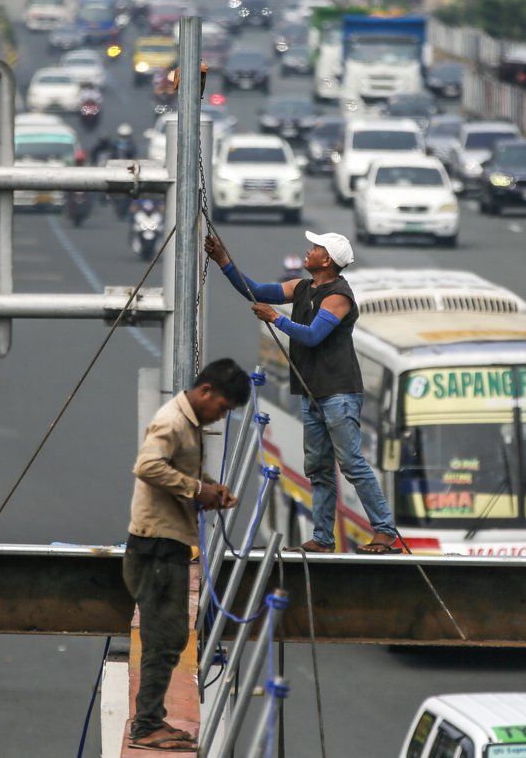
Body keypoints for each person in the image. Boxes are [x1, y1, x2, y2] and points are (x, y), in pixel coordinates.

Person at [205, 230, 401, 554]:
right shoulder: (301, 287)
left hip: (338, 393)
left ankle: (384, 531)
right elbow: (255, 290)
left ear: (327, 260)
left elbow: (312, 336)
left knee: (351, 463)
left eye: (315, 248)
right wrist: (224, 261)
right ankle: (323, 538)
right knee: (319, 468)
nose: (308, 251)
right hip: (313, 394)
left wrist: (275, 318)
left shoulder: (339, 296)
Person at [124, 358, 249, 751]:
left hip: (169, 543)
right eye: (222, 409)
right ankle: (145, 726)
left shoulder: (190, 424)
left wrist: (211, 487)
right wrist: (197, 492)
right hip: (156, 545)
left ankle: (152, 720)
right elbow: (147, 466)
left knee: (172, 635)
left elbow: (182, 470)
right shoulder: (173, 422)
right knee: (165, 638)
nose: (220, 416)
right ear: (206, 391)